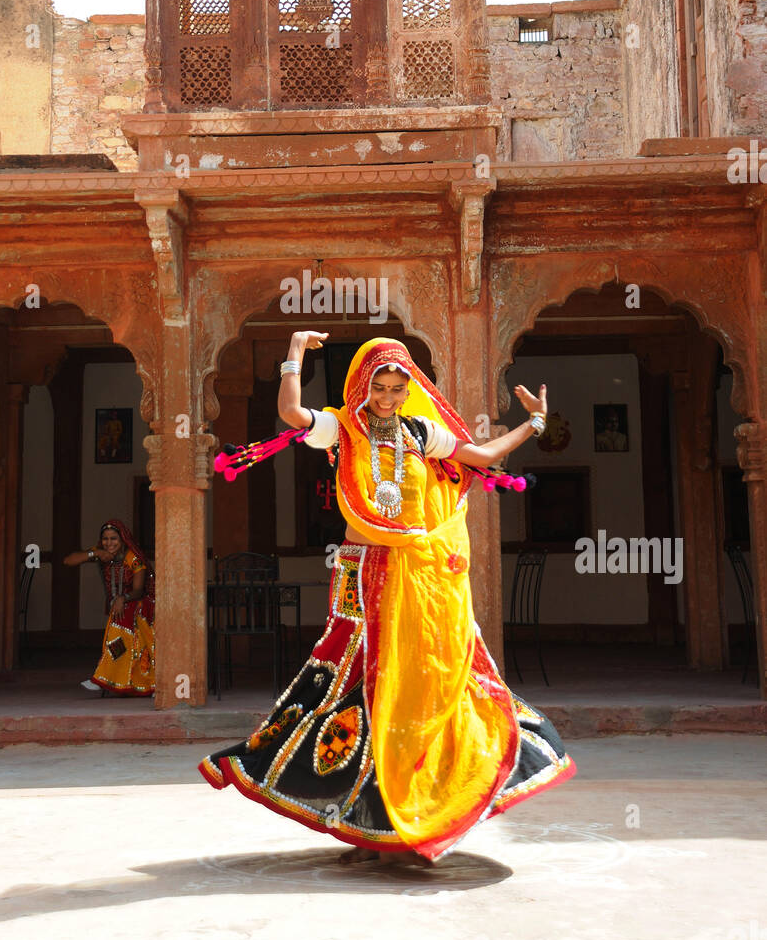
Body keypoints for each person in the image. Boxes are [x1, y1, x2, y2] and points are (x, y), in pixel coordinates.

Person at [200, 332, 575, 863]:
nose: (389, 397)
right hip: (362, 577)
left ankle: (413, 803)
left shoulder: (422, 433)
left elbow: (485, 456)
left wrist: (535, 422)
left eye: (399, 388)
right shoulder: (342, 426)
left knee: (422, 681)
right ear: (364, 384)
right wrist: (295, 352)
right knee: (361, 687)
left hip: (418, 579)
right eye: (381, 386)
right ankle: (363, 810)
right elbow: (290, 412)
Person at [63, 519, 155, 696]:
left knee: (120, 626)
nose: (109, 543)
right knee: (119, 639)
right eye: (105, 539)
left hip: (140, 606)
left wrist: (123, 598)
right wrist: (94, 553)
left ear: (122, 541)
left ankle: (103, 678)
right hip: (122, 609)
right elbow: (68, 561)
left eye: (114, 539)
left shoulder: (133, 558)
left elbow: (138, 590)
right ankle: (107, 677)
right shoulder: (101, 552)